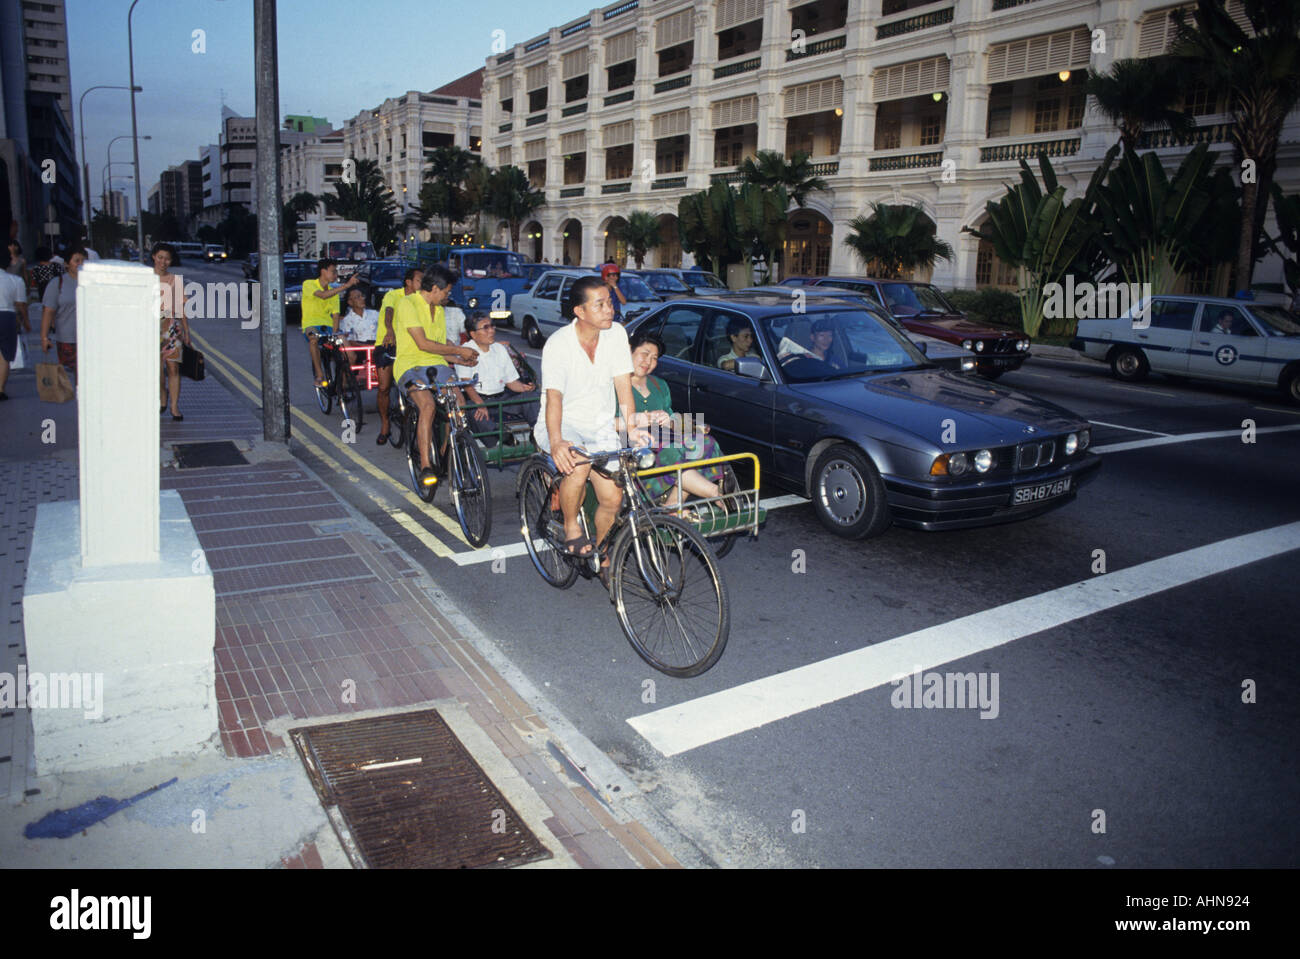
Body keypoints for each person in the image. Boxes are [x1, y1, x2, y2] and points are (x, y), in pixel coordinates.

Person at [534, 275, 650, 571]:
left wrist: (632, 430)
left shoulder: (616, 335)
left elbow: (624, 388)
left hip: (600, 426)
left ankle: (600, 550)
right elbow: (554, 399)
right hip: (562, 424)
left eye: (609, 302)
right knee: (579, 460)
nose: (609, 309)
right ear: (580, 311)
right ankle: (572, 527)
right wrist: (557, 440)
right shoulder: (559, 345)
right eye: (600, 305)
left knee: (614, 498)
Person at [393, 265, 480, 487]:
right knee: (428, 406)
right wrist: (460, 352)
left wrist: (461, 358)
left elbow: (442, 344)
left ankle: (445, 451)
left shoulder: (439, 310)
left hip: (436, 364)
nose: (448, 296)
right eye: (446, 292)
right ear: (434, 288)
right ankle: (425, 464)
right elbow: (422, 343)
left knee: (459, 403)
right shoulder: (407, 304)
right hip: (410, 366)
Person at [618, 331, 727, 509]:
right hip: (632, 445)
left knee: (705, 443)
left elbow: (672, 419)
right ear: (629, 351)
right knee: (672, 451)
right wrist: (640, 420)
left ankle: (672, 505)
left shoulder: (659, 384)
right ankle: (715, 493)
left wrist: (670, 420)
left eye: (654, 358)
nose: (648, 362)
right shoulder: (616, 384)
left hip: (664, 438)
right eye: (644, 354)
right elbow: (606, 422)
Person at [454, 312, 538, 446]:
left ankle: (538, 432)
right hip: (478, 399)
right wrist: (479, 403)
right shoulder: (465, 351)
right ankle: (501, 438)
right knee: (473, 412)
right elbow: (466, 384)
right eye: (485, 328)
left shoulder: (499, 348)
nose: (492, 330)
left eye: (492, 326)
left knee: (533, 397)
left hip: (502, 399)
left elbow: (511, 381)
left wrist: (525, 388)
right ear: (473, 334)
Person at [374, 267, 422, 445]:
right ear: (408, 282)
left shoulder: (420, 300)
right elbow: (389, 312)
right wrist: (390, 330)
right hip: (387, 343)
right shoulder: (393, 295)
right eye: (419, 280)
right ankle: (385, 423)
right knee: (384, 387)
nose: (422, 284)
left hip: (409, 346)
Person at [302, 258, 360, 388]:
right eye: (333, 271)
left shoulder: (334, 292)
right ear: (323, 271)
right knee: (313, 338)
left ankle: (342, 384)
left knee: (350, 355)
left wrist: (335, 334)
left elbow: (335, 316)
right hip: (311, 324)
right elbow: (322, 295)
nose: (336, 275)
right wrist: (346, 286)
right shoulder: (309, 284)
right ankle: (319, 375)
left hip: (328, 327)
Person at [154, 243, 191, 420]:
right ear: (154, 257)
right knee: (156, 370)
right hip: (149, 327)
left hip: (170, 326)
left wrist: (186, 332)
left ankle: (174, 407)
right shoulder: (145, 279)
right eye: (160, 257)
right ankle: (163, 394)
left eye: (167, 258)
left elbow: (181, 309)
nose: (163, 262)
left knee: (173, 367)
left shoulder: (175, 280)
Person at [40, 246, 86, 380]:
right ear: (67, 264)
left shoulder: (91, 283)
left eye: (83, 261)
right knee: (77, 376)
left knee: (84, 378)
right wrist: (44, 338)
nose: (81, 264)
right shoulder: (57, 283)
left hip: (89, 338)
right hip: (67, 340)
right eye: (76, 261)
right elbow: (48, 312)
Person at [0, 247, 30, 400]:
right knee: (5, 355)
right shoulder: (15, 280)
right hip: (7, 316)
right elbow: (21, 305)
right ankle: (0, 389)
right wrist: (26, 322)